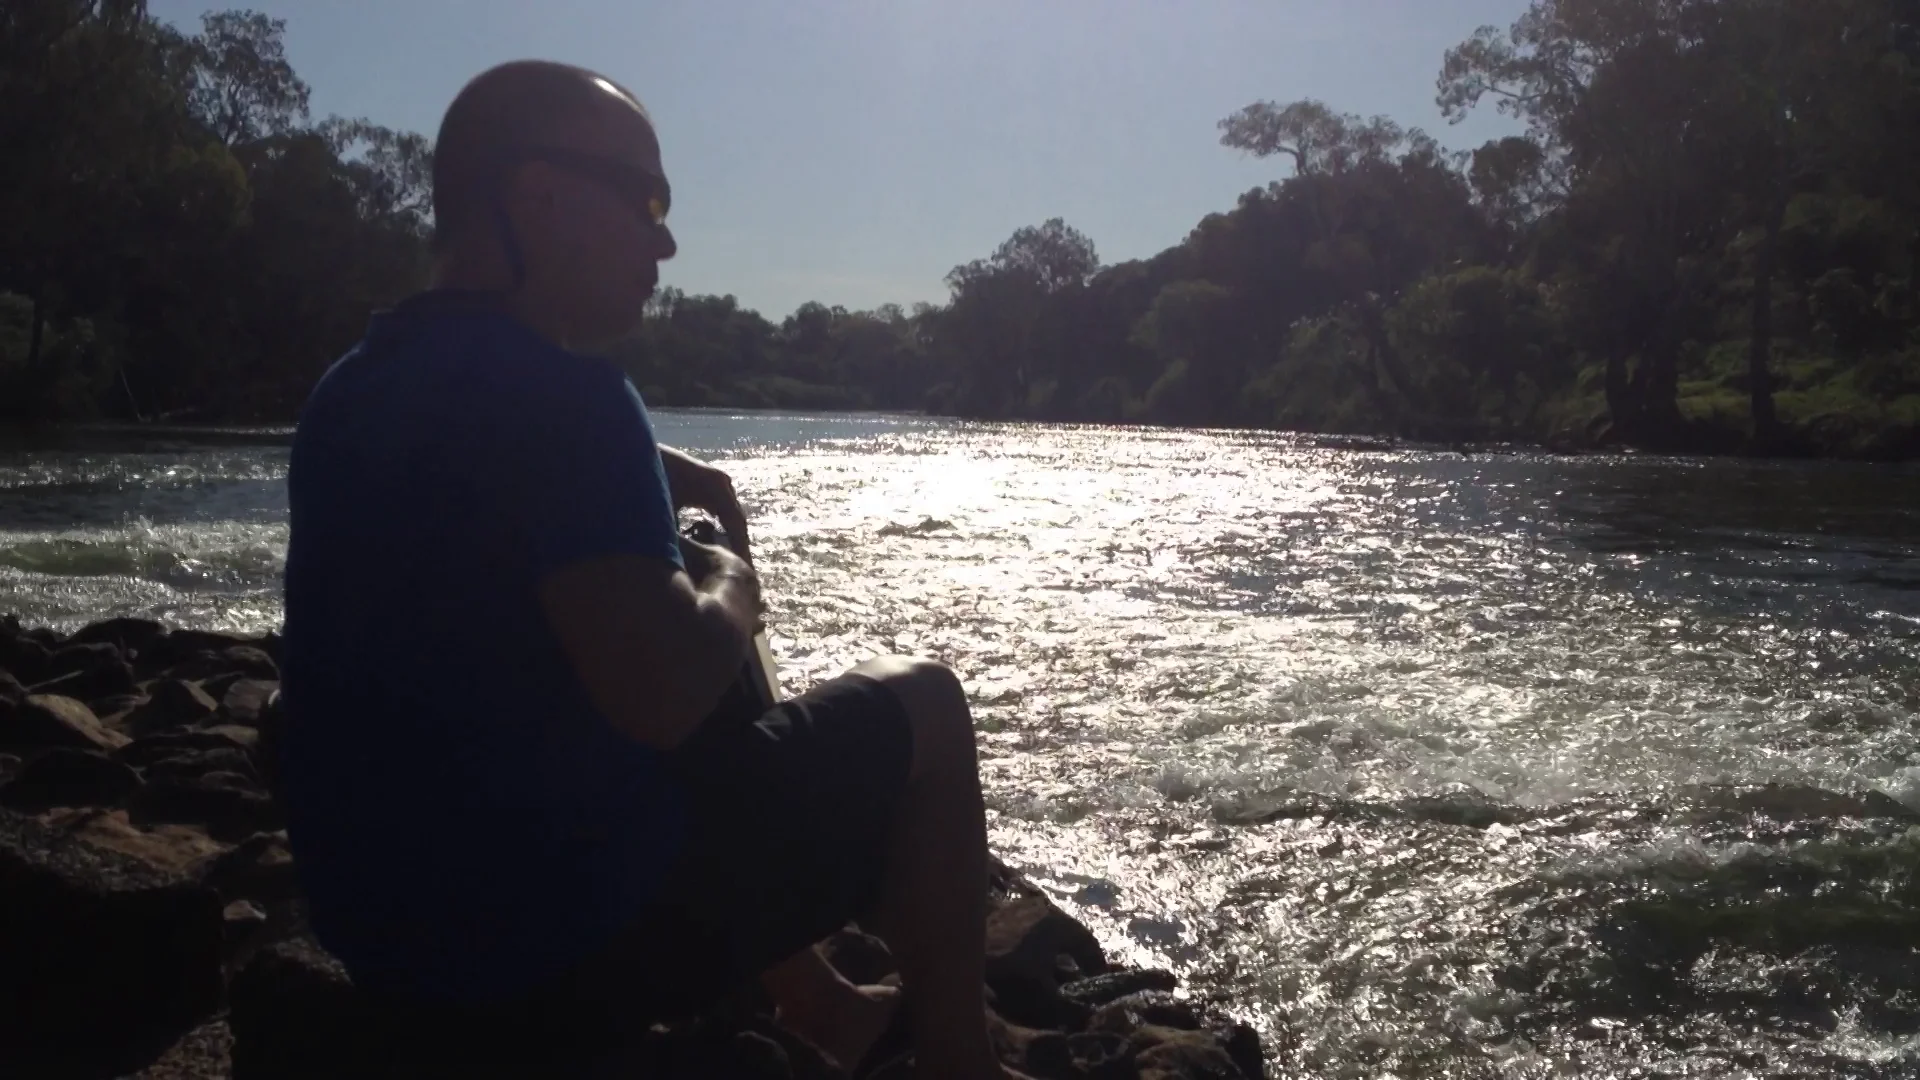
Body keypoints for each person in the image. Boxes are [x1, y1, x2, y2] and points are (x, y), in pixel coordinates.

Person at [280, 60, 1021, 1079]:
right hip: (540, 962)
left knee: (650, 613)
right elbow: (663, 699)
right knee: (928, 703)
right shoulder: (569, 394)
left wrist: (637, 484)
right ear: (537, 197)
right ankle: (957, 1063)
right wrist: (730, 584)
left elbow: (476, 513)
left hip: (382, 937)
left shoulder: (350, 387)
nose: (665, 236)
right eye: (646, 196)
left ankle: (822, 1004)